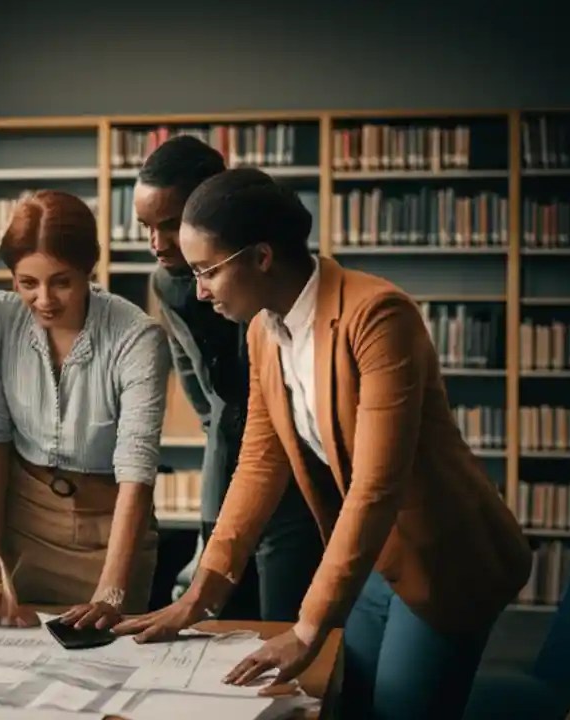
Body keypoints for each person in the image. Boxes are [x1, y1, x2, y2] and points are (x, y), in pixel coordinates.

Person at [114, 168, 532, 720]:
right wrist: (200, 596)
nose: (199, 290)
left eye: (207, 271)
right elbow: (260, 463)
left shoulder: (378, 315)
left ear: (261, 257)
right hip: (376, 556)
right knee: (341, 699)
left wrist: (307, 627)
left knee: (397, 711)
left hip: (444, 555)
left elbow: (376, 486)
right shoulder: (264, 330)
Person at [134, 136, 323, 620]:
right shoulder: (166, 287)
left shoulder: (270, 282)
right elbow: (199, 392)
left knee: (285, 611)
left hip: (294, 466)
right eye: (146, 228)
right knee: (221, 611)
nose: (157, 243)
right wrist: (224, 436)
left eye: (171, 225)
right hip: (229, 456)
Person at [0, 189, 169, 628]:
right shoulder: (1, 317)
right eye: (27, 283)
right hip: (24, 520)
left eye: (61, 281)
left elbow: (137, 466)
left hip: (110, 532)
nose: (44, 299)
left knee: (107, 658)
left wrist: (112, 589)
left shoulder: (137, 337)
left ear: (88, 268)